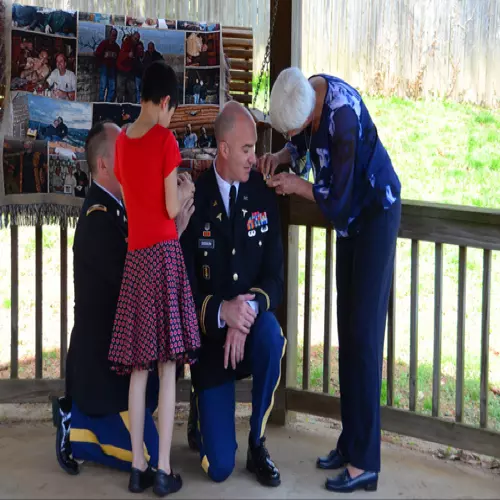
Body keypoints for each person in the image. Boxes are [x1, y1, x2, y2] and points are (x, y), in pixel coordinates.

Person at [260, 67, 401, 494]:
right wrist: (283, 156)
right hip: (351, 227)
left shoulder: (343, 116)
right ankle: (350, 442)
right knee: (348, 332)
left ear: (313, 111)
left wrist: (296, 185)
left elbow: (336, 200)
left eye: (302, 127)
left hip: (374, 215)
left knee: (364, 337)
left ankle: (366, 463)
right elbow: (301, 143)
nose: (302, 132)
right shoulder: (305, 89)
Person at [52, 121, 196, 478]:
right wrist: (173, 234)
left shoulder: (119, 206)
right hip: (102, 373)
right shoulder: (99, 219)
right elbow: (136, 289)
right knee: (145, 454)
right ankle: (76, 428)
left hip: (126, 362)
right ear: (104, 164)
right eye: (123, 152)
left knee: (149, 437)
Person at [180, 101, 286, 487]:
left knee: (272, 336)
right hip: (210, 343)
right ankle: (200, 404)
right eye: (246, 149)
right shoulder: (196, 195)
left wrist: (248, 312)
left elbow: (275, 277)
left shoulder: (261, 193)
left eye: (254, 148)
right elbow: (186, 287)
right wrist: (224, 313)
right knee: (220, 468)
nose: (254, 158)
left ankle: (257, 441)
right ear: (223, 149)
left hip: (249, 329)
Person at [107, 60, 201, 496]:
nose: (170, 116)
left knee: (138, 370)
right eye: (171, 108)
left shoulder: (123, 141)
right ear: (165, 102)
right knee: (167, 367)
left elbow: (131, 201)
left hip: (135, 258)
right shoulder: (165, 140)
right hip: (164, 257)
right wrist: (183, 192)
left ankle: (137, 466)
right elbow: (168, 209)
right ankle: (163, 469)